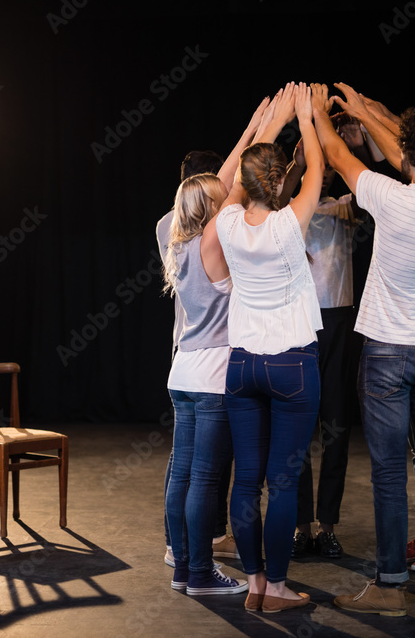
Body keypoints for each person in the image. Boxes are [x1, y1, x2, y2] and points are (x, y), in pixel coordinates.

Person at [314, 82, 415, 616]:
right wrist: (364, 111)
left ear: (407, 157)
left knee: (388, 473)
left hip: (387, 354)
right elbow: (409, 156)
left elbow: (337, 154)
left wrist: (318, 111)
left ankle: (388, 586)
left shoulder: (393, 198)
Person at [204, 82, 324, 613]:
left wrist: (267, 125)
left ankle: (253, 583)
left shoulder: (228, 221)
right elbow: (316, 171)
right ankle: (275, 587)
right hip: (293, 364)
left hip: (243, 365)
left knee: (246, 480)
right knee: (284, 481)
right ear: (279, 183)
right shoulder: (288, 225)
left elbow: (231, 185)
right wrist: (309, 117)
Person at [282, 114, 381, 560]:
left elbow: (366, 198)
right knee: (298, 430)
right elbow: (277, 195)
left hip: (339, 322)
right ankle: (301, 525)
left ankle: (328, 525)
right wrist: (300, 163)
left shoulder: (343, 205)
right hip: (298, 323)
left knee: (336, 426)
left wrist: (353, 150)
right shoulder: (288, 212)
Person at [162, 172, 248, 595]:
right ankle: (198, 572)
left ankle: (183, 568)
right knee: (205, 480)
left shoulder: (175, 243)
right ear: (212, 207)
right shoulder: (212, 241)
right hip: (213, 377)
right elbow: (237, 186)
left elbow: (225, 184)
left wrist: (255, 126)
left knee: (183, 476)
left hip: (182, 374)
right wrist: (267, 128)